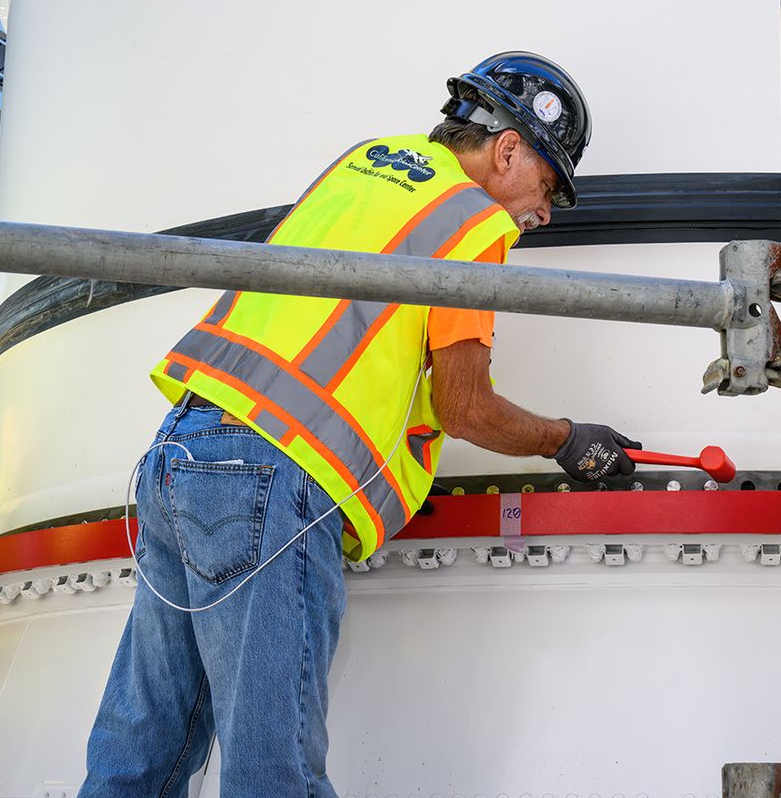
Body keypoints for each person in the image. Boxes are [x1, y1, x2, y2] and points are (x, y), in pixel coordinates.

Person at [79, 51, 640, 797]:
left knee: (141, 758)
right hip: (271, 477)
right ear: (508, 149)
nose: (542, 212)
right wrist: (567, 439)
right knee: (274, 776)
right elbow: (464, 406)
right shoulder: (472, 222)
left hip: (181, 447)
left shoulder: (367, 161)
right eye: (548, 185)